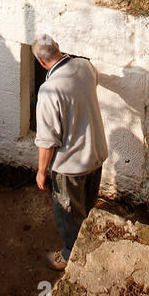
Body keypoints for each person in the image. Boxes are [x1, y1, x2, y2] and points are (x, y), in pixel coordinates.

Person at [33, 33, 108, 272]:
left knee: (67, 213)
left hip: (71, 165)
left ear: (41, 62)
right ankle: (88, 242)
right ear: (58, 47)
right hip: (96, 154)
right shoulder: (85, 66)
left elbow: (47, 141)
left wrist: (41, 172)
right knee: (87, 204)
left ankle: (70, 256)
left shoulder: (49, 91)